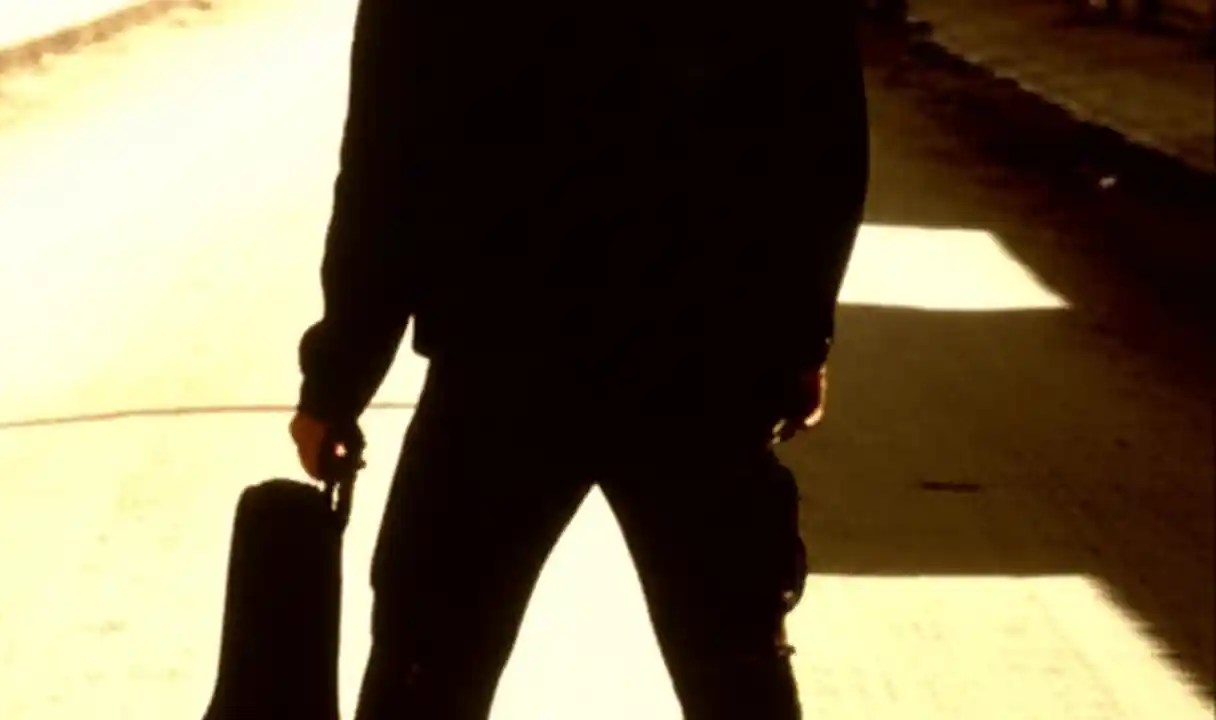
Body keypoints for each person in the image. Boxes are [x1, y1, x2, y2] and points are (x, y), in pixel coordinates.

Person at [290, 1, 868, 717]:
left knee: (429, 664)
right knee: (736, 668)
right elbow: (822, 141)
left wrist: (338, 377)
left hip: (503, 361)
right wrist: (796, 335)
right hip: (698, 363)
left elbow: (389, 161)